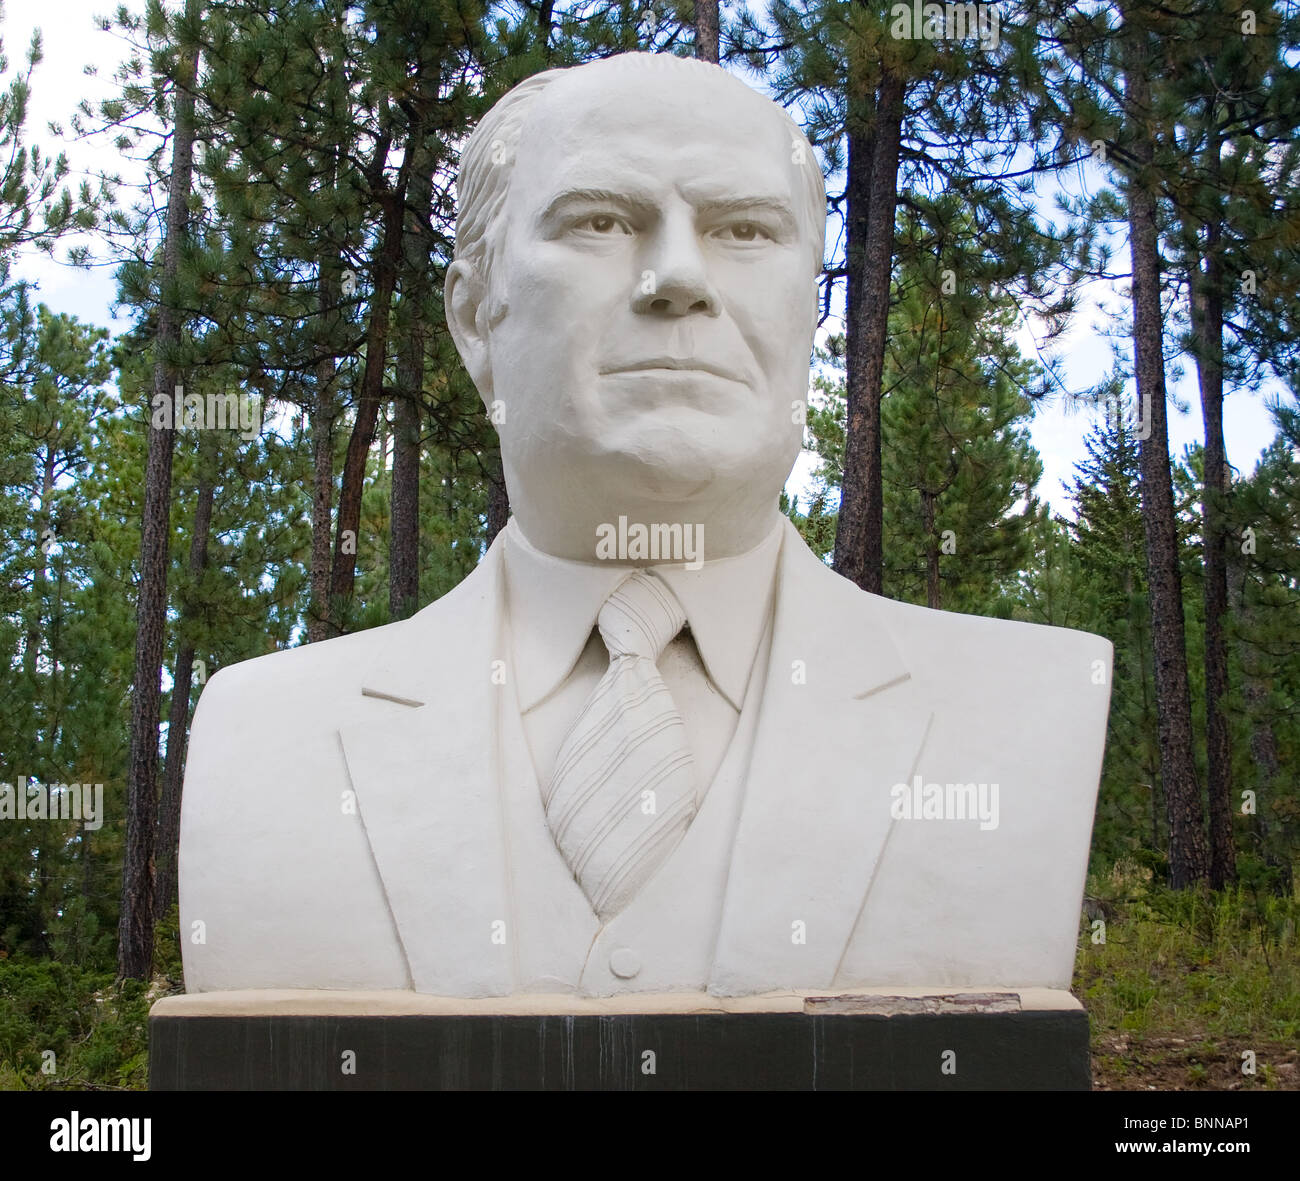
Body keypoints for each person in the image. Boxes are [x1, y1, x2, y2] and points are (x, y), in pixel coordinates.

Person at [179, 52, 1111, 998]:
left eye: (745, 230)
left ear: (808, 313)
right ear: (474, 317)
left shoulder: (1022, 706)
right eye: (602, 221)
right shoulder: (268, 739)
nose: (678, 278)